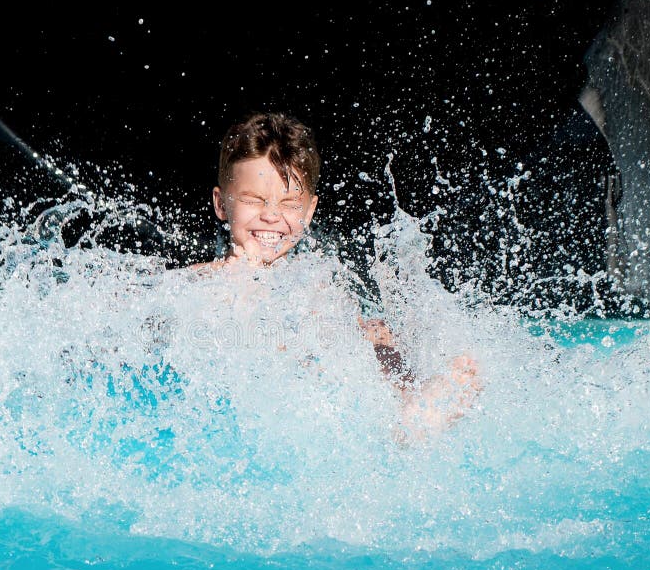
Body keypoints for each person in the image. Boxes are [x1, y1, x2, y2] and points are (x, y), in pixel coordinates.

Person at [192, 111, 480, 440]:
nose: (271, 216)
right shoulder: (203, 283)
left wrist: (374, 338)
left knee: (387, 341)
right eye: (254, 200)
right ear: (220, 203)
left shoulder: (314, 281)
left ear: (309, 211)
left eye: (288, 204)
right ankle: (404, 430)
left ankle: (410, 413)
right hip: (258, 416)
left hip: (318, 411)